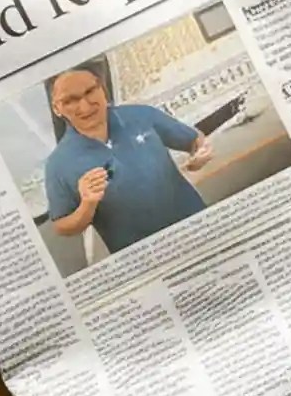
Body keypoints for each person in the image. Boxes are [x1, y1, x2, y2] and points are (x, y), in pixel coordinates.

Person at [43, 68, 214, 260]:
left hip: (199, 228)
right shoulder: (57, 164)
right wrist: (87, 204)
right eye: (70, 100)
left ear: (102, 89)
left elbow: (193, 139)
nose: (84, 105)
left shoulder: (142, 115)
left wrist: (200, 151)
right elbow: (62, 226)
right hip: (144, 258)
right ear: (57, 109)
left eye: (89, 91)